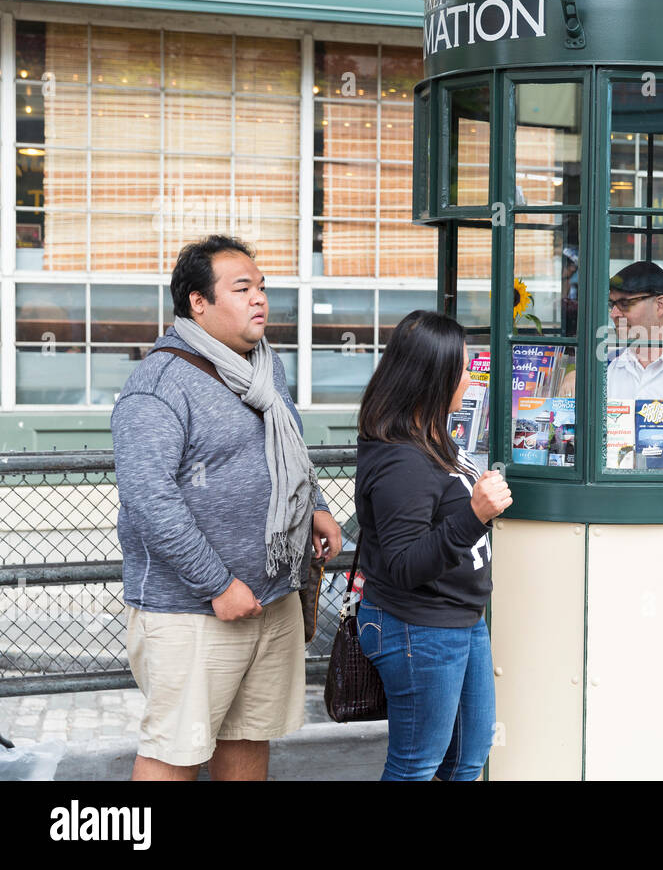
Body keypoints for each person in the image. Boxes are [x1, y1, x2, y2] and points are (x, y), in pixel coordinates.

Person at [112, 235, 343, 781]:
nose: (260, 299)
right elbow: (150, 499)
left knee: (247, 737)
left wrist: (315, 505)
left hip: (274, 593)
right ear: (198, 301)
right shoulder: (158, 386)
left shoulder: (266, 368)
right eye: (242, 289)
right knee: (175, 750)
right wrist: (216, 584)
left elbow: (287, 448)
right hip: (192, 611)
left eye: (262, 288)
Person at [353, 310, 513, 781]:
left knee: (466, 758)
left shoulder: (433, 434)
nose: (471, 378)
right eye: (464, 369)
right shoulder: (403, 457)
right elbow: (404, 564)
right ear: (434, 378)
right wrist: (475, 515)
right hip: (417, 627)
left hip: (459, 619)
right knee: (416, 765)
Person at [606, 260, 663, 401]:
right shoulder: (609, 363)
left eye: (625, 304)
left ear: (660, 305)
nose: (613, 314)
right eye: (612, 304)